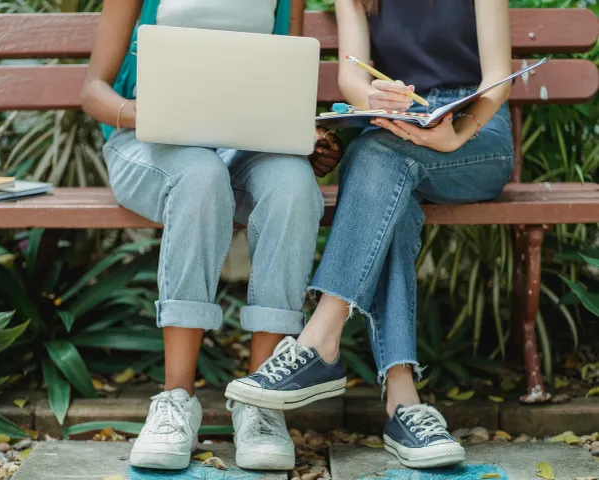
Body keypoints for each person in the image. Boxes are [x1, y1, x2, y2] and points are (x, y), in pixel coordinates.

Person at [227, 0, 515, 469]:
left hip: (475, 132)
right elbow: (352, 78)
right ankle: (404, 404)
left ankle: (320, 339)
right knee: (386, 180)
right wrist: (374, 100)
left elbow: (497, 77)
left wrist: (456, 133)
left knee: (375, 157)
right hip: (401, 123)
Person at [81, 0, 342, 471]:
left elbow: (287, 90)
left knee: (295, 188)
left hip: (246, 146)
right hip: (149, 144)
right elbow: (93, 92)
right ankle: (175, 401)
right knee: (200, 177)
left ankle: (262, 403)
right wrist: (146, 113)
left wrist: (307, 137)